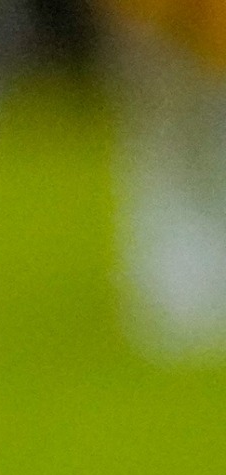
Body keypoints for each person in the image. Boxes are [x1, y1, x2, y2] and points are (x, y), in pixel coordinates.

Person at [106, 0, 226, 355]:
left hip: (191, 47)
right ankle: (171, 300)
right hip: (172, 47)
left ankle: (184, 301)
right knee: (168, 171)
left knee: (191, 174)